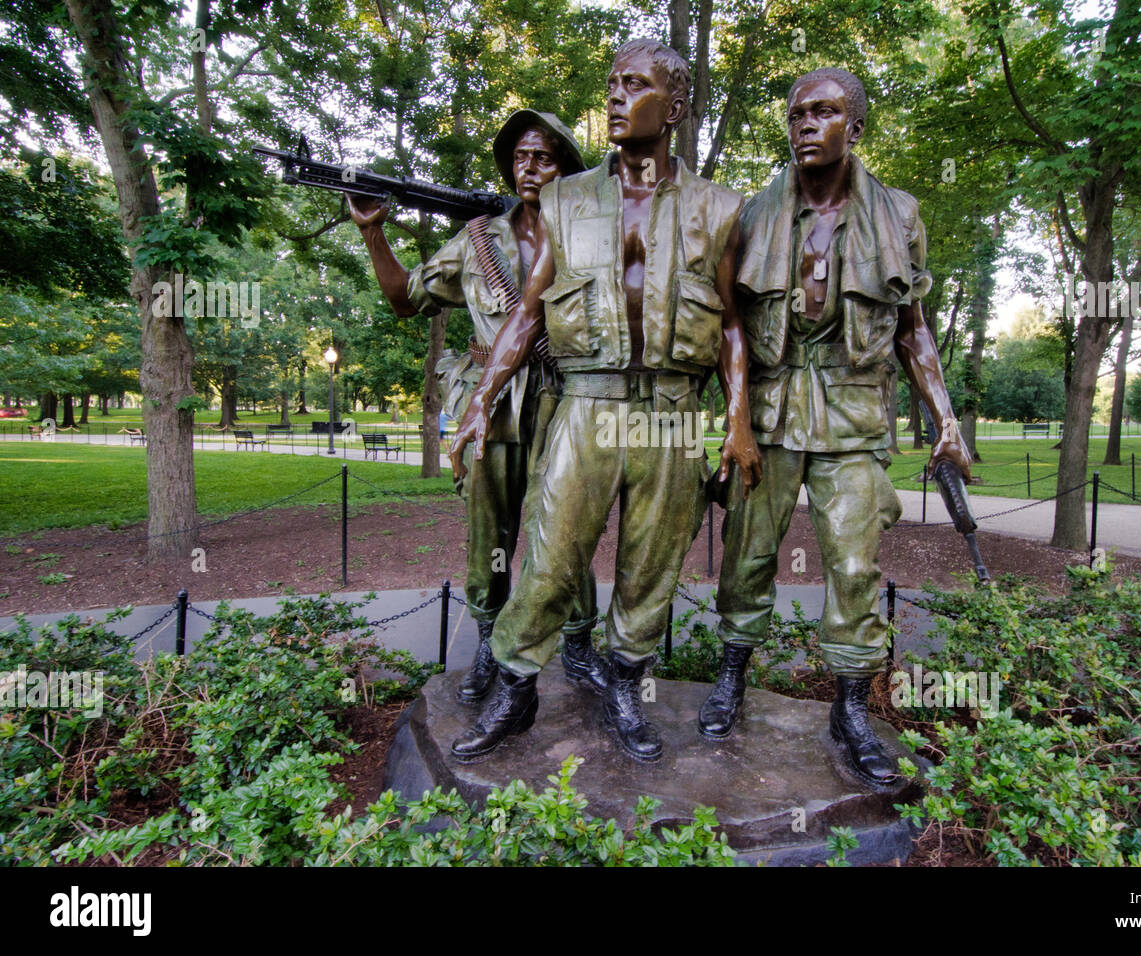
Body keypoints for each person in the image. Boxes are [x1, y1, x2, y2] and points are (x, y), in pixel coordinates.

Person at [448, 38, 762, 763]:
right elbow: (528, 315)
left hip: (675, 411)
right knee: (552, 553)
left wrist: (737, 421)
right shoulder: (566, 197)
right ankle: (517, 687)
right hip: (587, 405)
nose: (617, 97)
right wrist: (482, 398)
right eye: (613, 84)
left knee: (654, 563)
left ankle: (627, 682)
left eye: (636, 85)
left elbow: (731, 325)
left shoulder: (718, 207)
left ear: (675, 106)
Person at [701, 68, 972, 785]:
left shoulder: (900, 215)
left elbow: (913, 329)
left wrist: (945, 418)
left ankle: (850, 706)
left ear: (853, 128)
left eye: (823, 113)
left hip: (853, 415)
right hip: (768, 414)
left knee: (854, 564)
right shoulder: (752, 216)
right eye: (796, 114)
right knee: (748, 553)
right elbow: (727, 325)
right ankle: (732, 673)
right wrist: (732, 424)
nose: (805, 126)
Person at [348, 110, 605, 704]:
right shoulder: (478, 240)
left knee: (567, 528)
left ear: (565, 166)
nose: (529, 168)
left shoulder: (590, 235)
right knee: (490, 531)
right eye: (519, 157)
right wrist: (372, 232)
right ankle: (490, 648)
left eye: (543, 157)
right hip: (492, 408)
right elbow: (404, 299)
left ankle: (579, 646)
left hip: (565, 399)